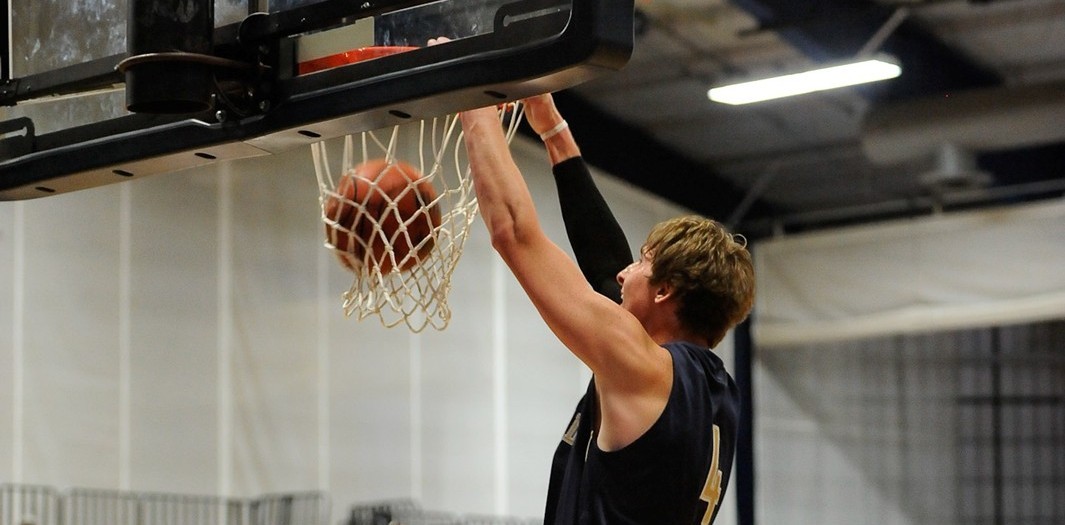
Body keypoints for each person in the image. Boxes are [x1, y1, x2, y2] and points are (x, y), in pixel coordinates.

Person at [459, 93, 755, 524]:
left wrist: (474, 98)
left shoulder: (642, 366)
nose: (623, 273)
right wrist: (553, 130)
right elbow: (604, 265)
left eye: (642, 262)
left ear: (664, 291)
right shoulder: (715, 389)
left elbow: (514, 233)